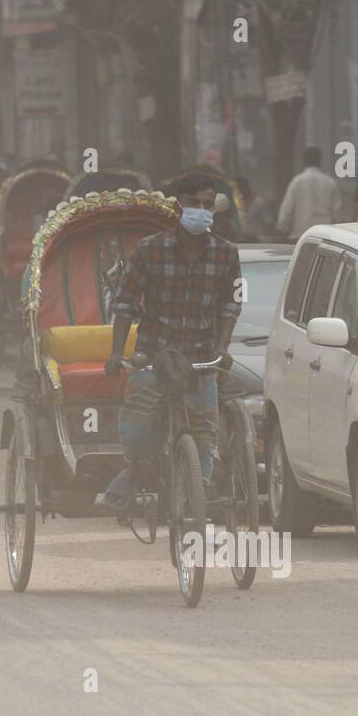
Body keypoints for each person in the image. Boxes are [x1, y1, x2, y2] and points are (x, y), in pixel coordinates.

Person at [99, 173, 243, 509]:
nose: (202, 210)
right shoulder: (150, 250)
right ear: (180, 205)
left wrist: (222, 347)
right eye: (195, 203)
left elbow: (230, 304)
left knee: (206, 430)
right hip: (152, 354)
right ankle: (136, 468)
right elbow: (126, 302)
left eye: (208, 204)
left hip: (200, 356)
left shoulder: (226, 254)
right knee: (136, 429)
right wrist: (116, 352)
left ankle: (199, 486)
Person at [276, 146, 341, 242]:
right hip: (325, 237)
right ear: (320, 160)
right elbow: (337, 213)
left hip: (301, 236)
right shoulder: (330, 182)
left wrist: (281, 228)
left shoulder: (297, 182)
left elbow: (287, 210)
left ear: (304, 161)